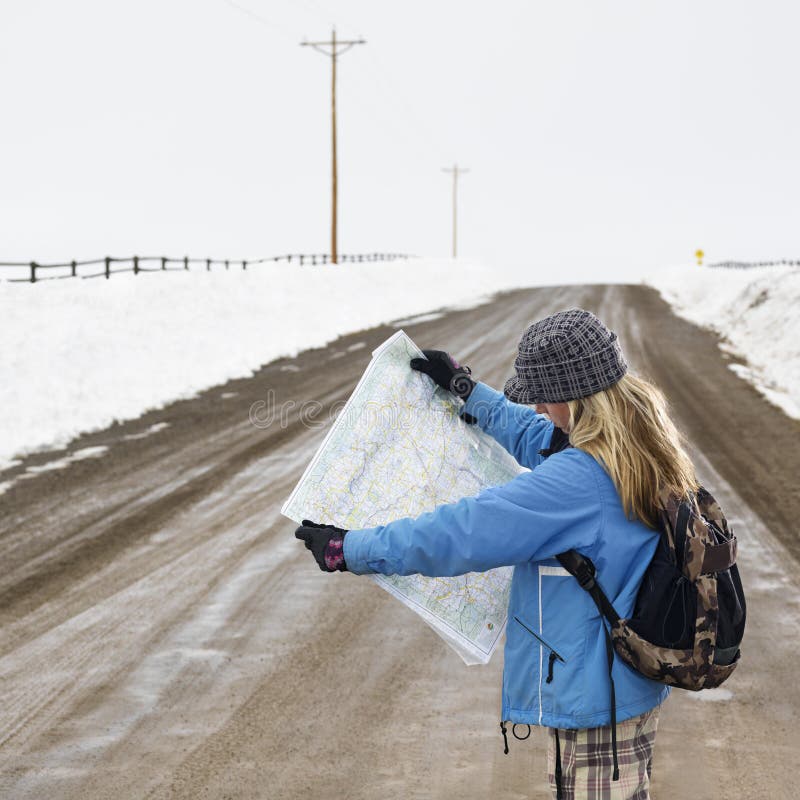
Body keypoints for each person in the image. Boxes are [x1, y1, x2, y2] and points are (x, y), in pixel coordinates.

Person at [296, 308, 699, 800]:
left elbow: (465, 531)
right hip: (623, 687)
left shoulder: (579, 483)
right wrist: (467, 390)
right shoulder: (635, 439)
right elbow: (541, 438)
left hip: (597, 699)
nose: (541, 410)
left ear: (573, 397)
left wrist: (351, 547)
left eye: (545, 399)